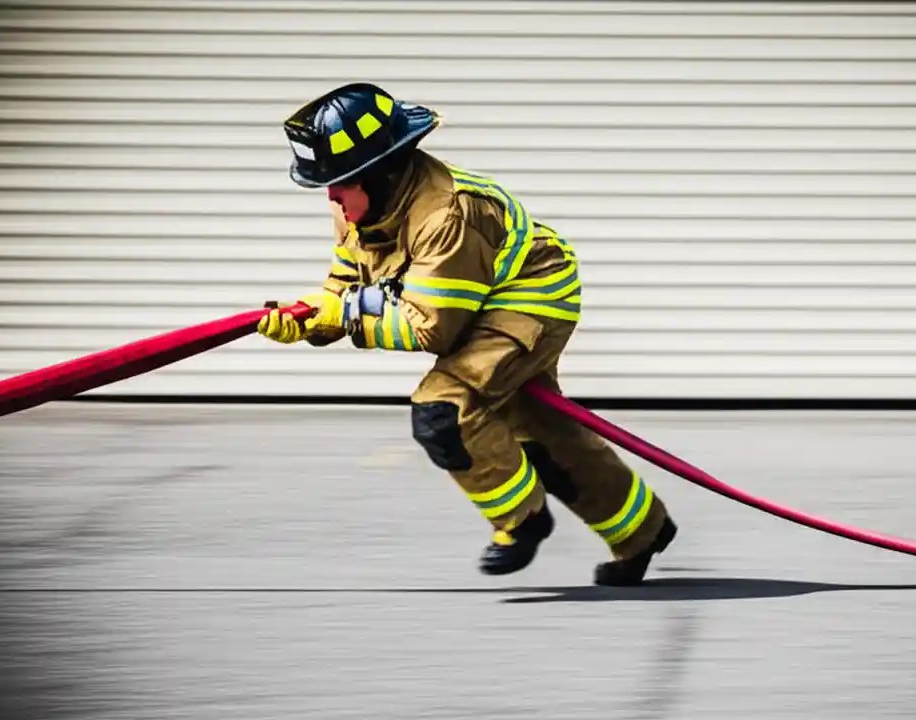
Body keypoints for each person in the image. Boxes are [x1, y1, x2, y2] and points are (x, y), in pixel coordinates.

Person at [256, 82, 676, 586]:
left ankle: (524, 521)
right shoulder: (356, 204)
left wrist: (342, 316)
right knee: (537, 429)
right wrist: (308, 320)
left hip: (529, 296)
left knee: (443, 411)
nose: (329, 196)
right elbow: (349, 282)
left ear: (379, 173)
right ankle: (643, 530)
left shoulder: (445, 215)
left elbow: (430, 326)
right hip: (475, 299)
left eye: (338, 183)